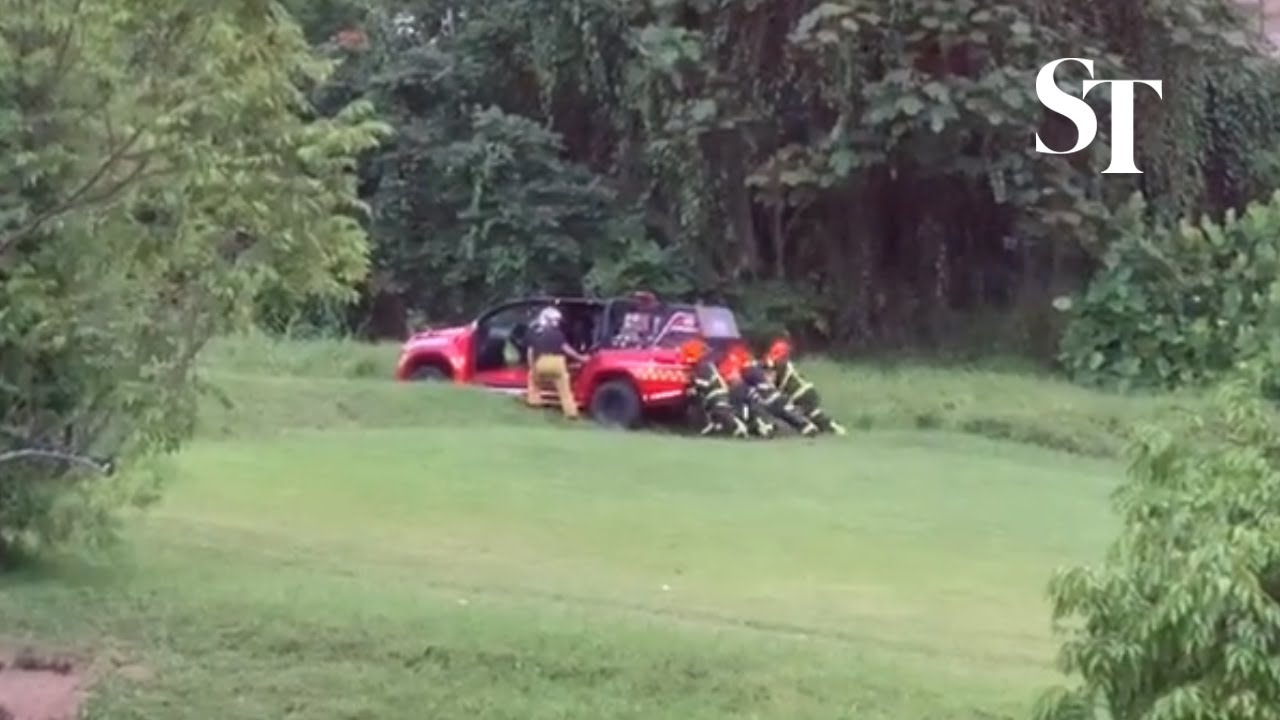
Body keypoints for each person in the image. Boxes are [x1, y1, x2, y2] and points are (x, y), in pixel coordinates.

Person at [761, 338, 846, 435]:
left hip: (801, 394)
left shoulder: (779, 365)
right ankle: (828, 427)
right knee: (812, 415)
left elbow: (771, 381)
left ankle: (833, 427)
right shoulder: (783, 365)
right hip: (804, 392)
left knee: (814, 415)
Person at [736, 347, 819, 436]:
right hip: (759, 398)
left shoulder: (761, 365)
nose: (770, 375)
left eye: (771, 372)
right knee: (765, 404)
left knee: (778, 403)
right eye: (767, 372)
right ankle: (766, 425)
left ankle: (803, 424)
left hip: (771, 397)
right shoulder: (750, 369)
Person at [526, 306, 588, 418]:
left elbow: (530, 352)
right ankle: (571, 412)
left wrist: (532, 368)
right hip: (558, 363)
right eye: (555, 320)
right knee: (564, 387)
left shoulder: (533, 332)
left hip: (541, 362)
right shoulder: (558, 333)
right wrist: (581, 358)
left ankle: (534, 402)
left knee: (533, 379)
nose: (557, 323)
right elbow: (567, 350)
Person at [680, 339, 749, 438]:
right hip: (714, 394)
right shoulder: (703, 365)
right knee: (715, 413)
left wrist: (694, 383)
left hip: (717, 393)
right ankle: (715, 429)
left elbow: (706, 383)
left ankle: (739, 427)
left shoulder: (703, 366)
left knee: (721, 411)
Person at [721, 348, 776, 438]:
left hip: (735, 388)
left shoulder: (728, 363)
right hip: (738, 387)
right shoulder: (737, 360)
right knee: (752, 404)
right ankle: (760, 426)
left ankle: (758, 426)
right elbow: (746, 371)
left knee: (748, 406)